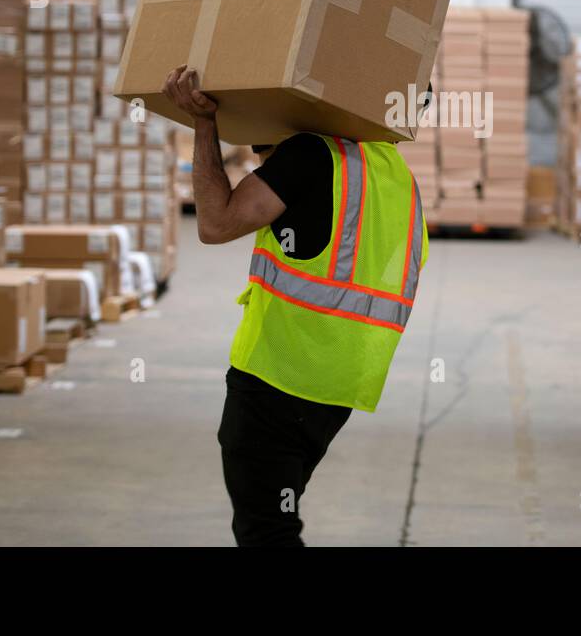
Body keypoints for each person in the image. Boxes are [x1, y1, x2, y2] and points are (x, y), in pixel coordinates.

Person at [161, 65, 428, 546]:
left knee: (265, 530)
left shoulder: (312, 155)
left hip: (278, 375)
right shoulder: (397, 179)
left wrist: (205, 124)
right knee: (276, 519)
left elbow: (216, 224)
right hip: (340, 386)